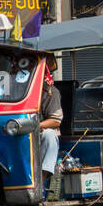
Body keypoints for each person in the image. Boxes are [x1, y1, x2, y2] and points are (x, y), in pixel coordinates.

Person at [39, 57, 64, 187]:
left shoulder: (50, 92)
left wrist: (36, 126)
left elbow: (55, 121)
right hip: (18, 131)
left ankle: (41, 181)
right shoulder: (11, 91)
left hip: (39, 133)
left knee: (49, 135)